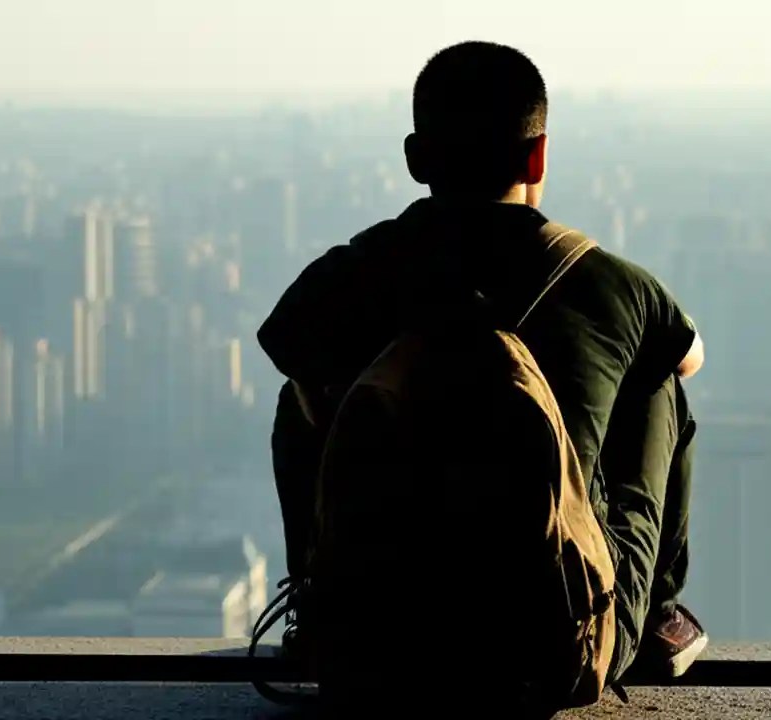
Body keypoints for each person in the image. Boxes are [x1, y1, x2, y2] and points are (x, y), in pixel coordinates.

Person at [255, 39, 707, 703]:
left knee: (299, 398)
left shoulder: (357, 272)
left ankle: (317, 605)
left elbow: (284, 345)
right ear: (538, 154)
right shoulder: (606, 282)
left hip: (380, 641)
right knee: (657, 377)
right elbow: (691, 358)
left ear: (416, 159)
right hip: (557, 644)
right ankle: (655, 610)